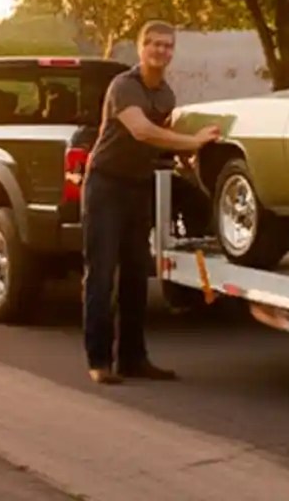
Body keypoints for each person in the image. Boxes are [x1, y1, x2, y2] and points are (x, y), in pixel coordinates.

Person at [81, 20, 220, 385]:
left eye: (167, 45)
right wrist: (192, 141)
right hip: (105, 185)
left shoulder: (166, 95)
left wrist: (196, 161)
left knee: (136, 275)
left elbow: (163, 142)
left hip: (138, 186)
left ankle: (133, 359)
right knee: (101, 275)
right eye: (154, 44)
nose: (160, 50)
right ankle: (99, 361)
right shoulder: (124, 86)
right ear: (140, 48)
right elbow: (142, 131)